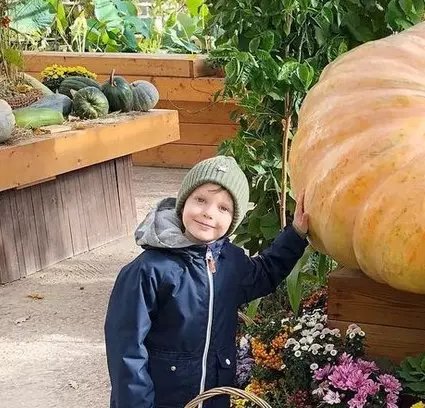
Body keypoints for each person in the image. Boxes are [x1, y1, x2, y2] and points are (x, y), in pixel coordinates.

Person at [104, 155, 310, 408]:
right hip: (163, 400)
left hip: (214, 397)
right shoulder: (148, 270)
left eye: (224, 208)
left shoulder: (230, 262)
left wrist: (297, 233)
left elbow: (264, 273)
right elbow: (126, 350)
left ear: (234, 219)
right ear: (183, 202)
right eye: (200, 200)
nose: (208, 213)